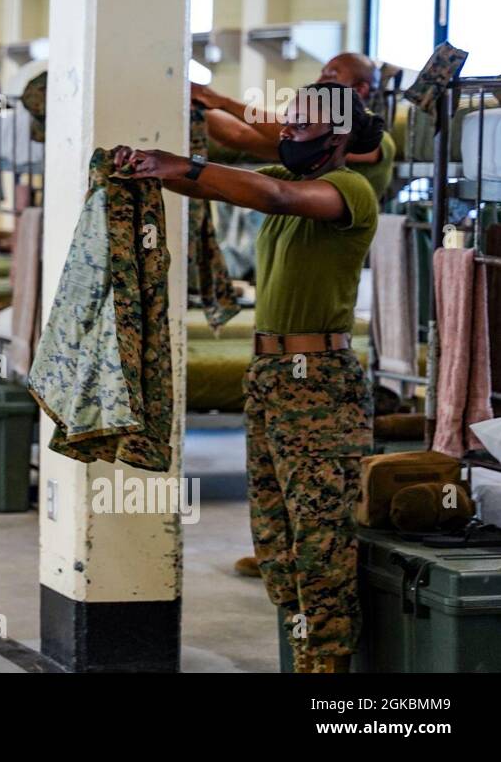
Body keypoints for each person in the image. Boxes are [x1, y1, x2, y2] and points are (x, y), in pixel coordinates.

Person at [113, 82, 382, 673]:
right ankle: (303, 650)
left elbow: (275, 196)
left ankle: (328, 665)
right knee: (275, 531)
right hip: (270, 375)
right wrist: (148, 170)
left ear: (337, 134)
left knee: (320, 535)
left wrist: (182, 162)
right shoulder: (283, 180)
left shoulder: (348, 190)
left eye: (301, 124)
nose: (287, 131)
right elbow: (225, 183)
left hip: (319, 383)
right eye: (286, 121)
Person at [193, 52, 396, 200]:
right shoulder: (304, 148)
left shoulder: (379, 140)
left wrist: (225, 103)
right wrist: (196, 104)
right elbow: (240, 135)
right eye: (322, 73)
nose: (320, 80)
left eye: (332, 75)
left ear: (360, 89)